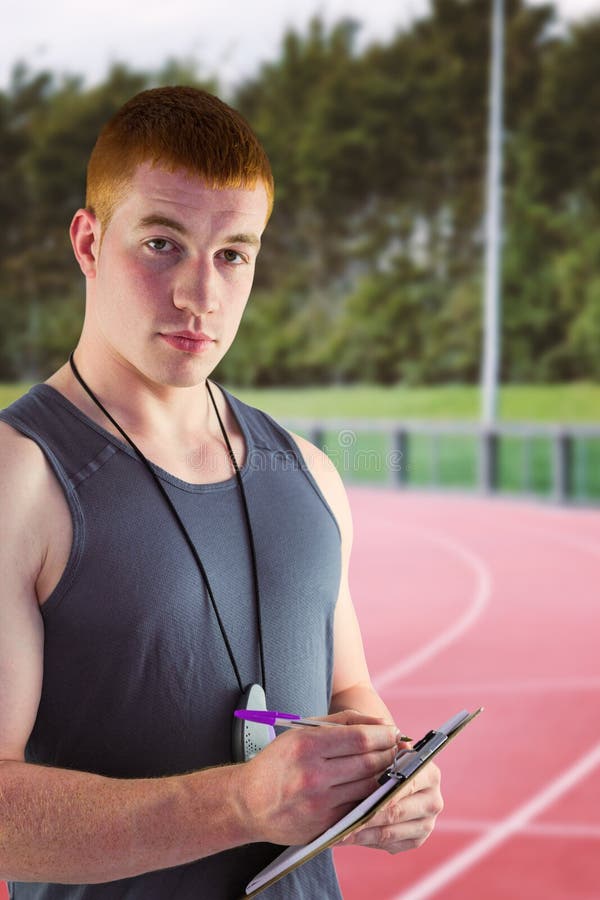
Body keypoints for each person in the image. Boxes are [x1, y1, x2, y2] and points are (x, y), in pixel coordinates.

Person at [0, 86, 443, 899]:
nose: (200, 295)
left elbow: (349, 692)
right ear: (89, 241)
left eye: (233, 253)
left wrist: (389, 779)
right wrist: (241, 803)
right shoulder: (18, 477)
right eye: (163, 244)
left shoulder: (309, 473)